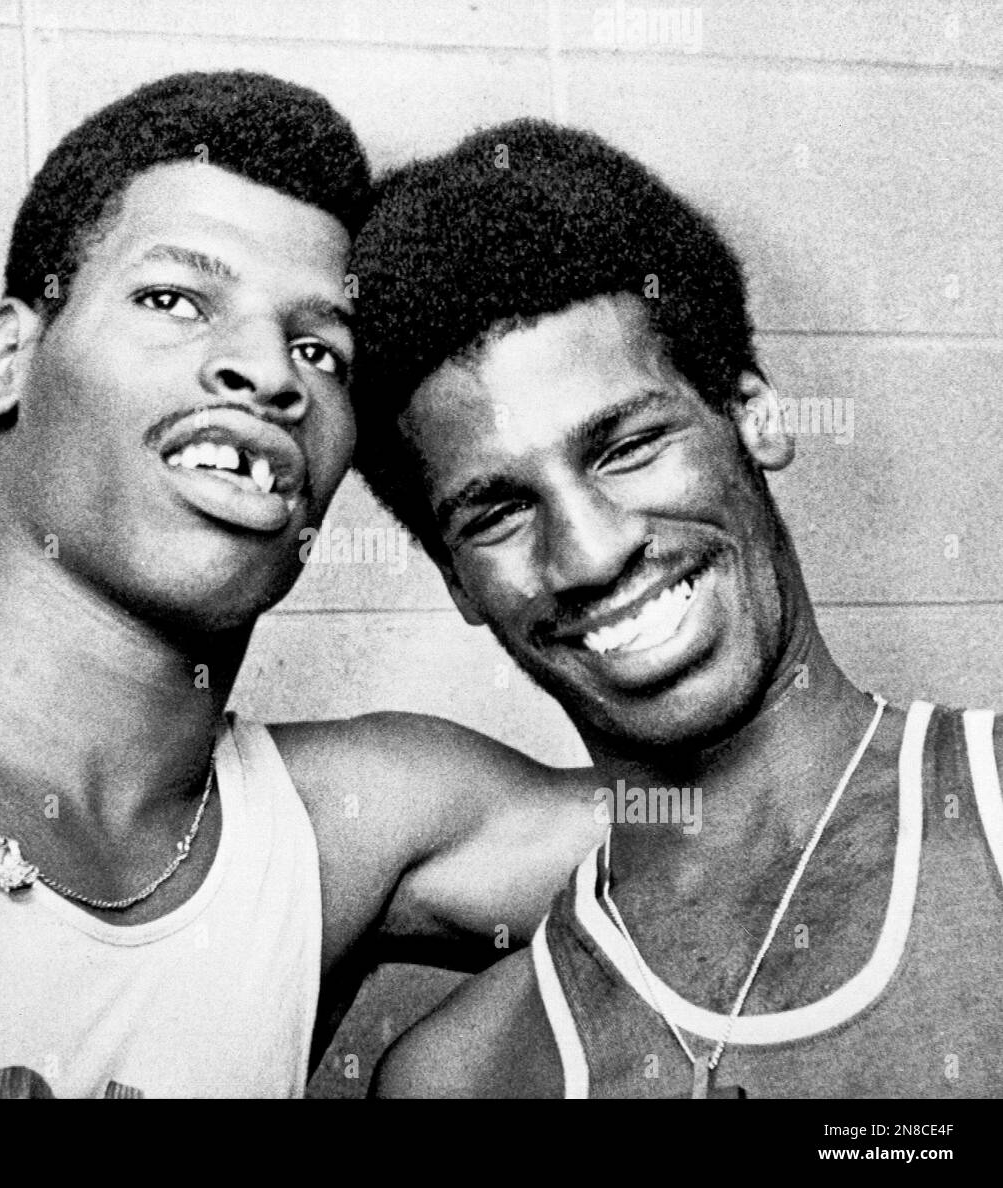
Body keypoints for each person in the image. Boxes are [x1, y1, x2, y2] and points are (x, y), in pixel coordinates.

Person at [0, 77, 604, 1100]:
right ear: (8, 357)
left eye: (320, 349)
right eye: (173, 300)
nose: (270, 373)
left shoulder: (348, 829)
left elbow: (773, 836)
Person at [346, 119, 1003, 1098]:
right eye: (497, 509)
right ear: (459, 585)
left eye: (626, 446)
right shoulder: (464, 1076)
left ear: (754, 417)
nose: (592, 551)